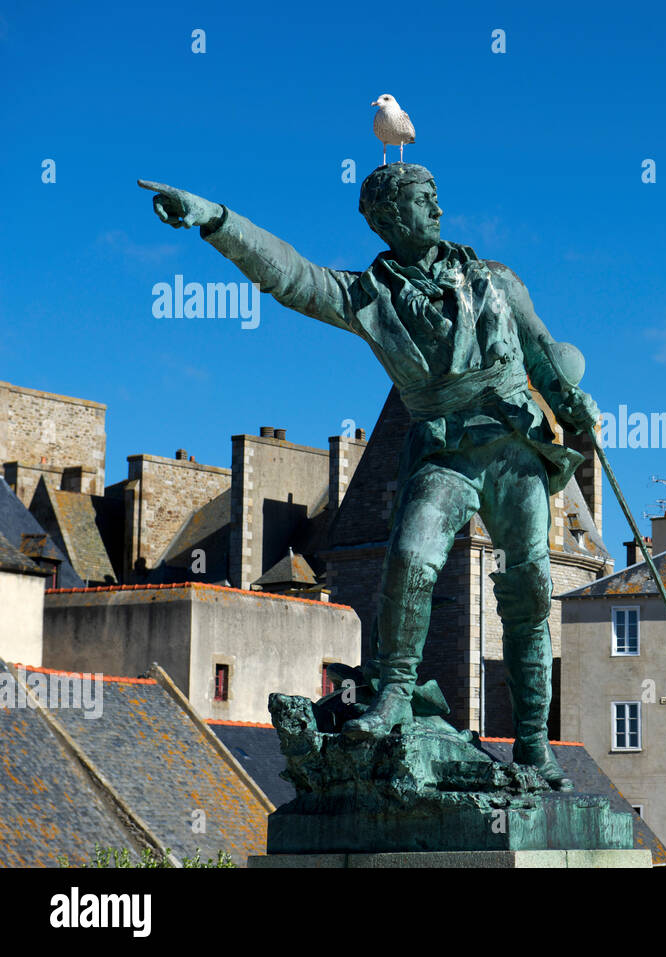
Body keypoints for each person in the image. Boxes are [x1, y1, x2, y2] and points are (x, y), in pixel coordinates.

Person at [139, 164, 599, 790]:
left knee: (528, 588)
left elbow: (545, 356)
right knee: (409, 556)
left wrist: (574, 404)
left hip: (514, 444)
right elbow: (290, 275)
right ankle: (394, 695)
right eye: (421, 202)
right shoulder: (367, 297)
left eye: (437, 199)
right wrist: (217, 220)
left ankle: (534, 747)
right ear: (387, 218)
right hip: (446, 447)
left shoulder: (497, 280)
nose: (436, 211)